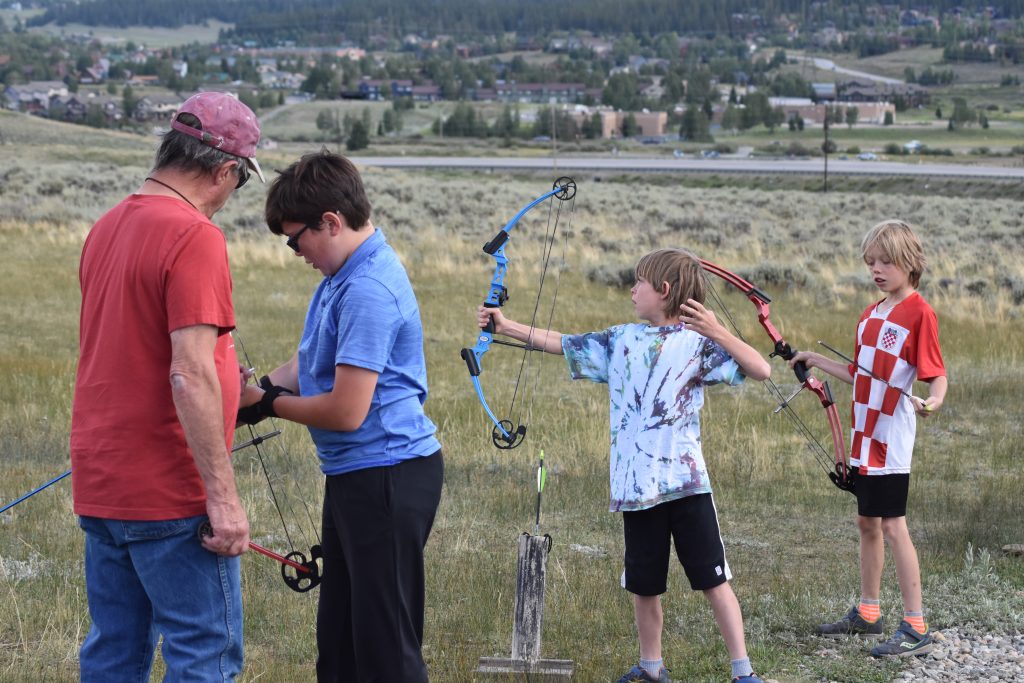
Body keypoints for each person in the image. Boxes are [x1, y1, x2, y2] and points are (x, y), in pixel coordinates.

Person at [478, 248, 768, 683]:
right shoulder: (622, 340)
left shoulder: (698, 345)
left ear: (664, 291)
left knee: (713, 580)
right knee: (643, 584)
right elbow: (561, 343)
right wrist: (507, 326)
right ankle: (652, 667)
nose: (632, 290)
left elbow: (760, 369)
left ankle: (743, 671)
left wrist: (718, 331)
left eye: (640, 283)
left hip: (687, 487)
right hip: (636, 490)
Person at [70, 91, 265, 681]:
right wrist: (223, 499)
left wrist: (225, 376)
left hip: (102, 482)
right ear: (225, 170)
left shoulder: (107, 226)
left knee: (114, 651)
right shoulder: (194, 235)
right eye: (239, 183)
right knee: (203, 653)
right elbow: (188, 370)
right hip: (169, 490)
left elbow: (140, 348)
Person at [240, 149, 443, 682]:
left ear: (330, 222)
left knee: (385, 651)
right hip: (355, 477)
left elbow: (347, 411)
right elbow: (307, 365)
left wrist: (267, 406)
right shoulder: (340, 278)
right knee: (340, 645)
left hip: (388, 477)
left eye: (295, 239)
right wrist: (255, 395)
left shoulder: (369, 288)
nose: (294, 252)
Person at [790, 219, 946, 657]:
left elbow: (936, 377)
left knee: (893, 525)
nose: (876, 269)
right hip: (863, 434)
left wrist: (932, 402)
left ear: (909, 263)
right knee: (867, 523)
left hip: (890, 438)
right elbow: (860, 372)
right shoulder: (869, 314)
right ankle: (869, 612)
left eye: (886, 262)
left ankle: (915, 625)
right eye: (871, 262)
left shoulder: (920, 312)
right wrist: (816, 360)